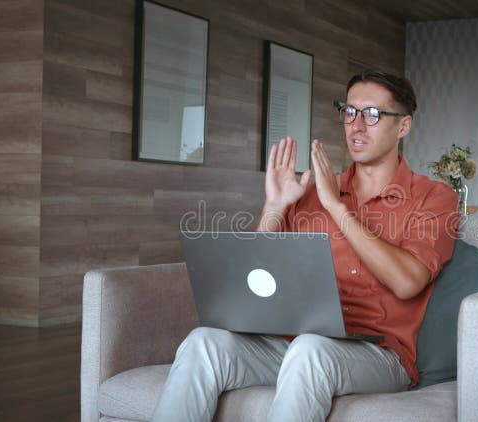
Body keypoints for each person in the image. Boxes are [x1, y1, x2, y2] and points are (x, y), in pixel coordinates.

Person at [151, 69, 460, 422]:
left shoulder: (434, 197)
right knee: (203, 341)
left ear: (403, 126)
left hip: (379, 354)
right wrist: (274, 206)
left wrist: (337, 208)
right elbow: (253, 277)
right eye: (350, 112)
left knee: (309, 350)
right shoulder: (309, 194)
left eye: (372, 114)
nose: (356, 126)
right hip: (292, 343)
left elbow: (407, 282)